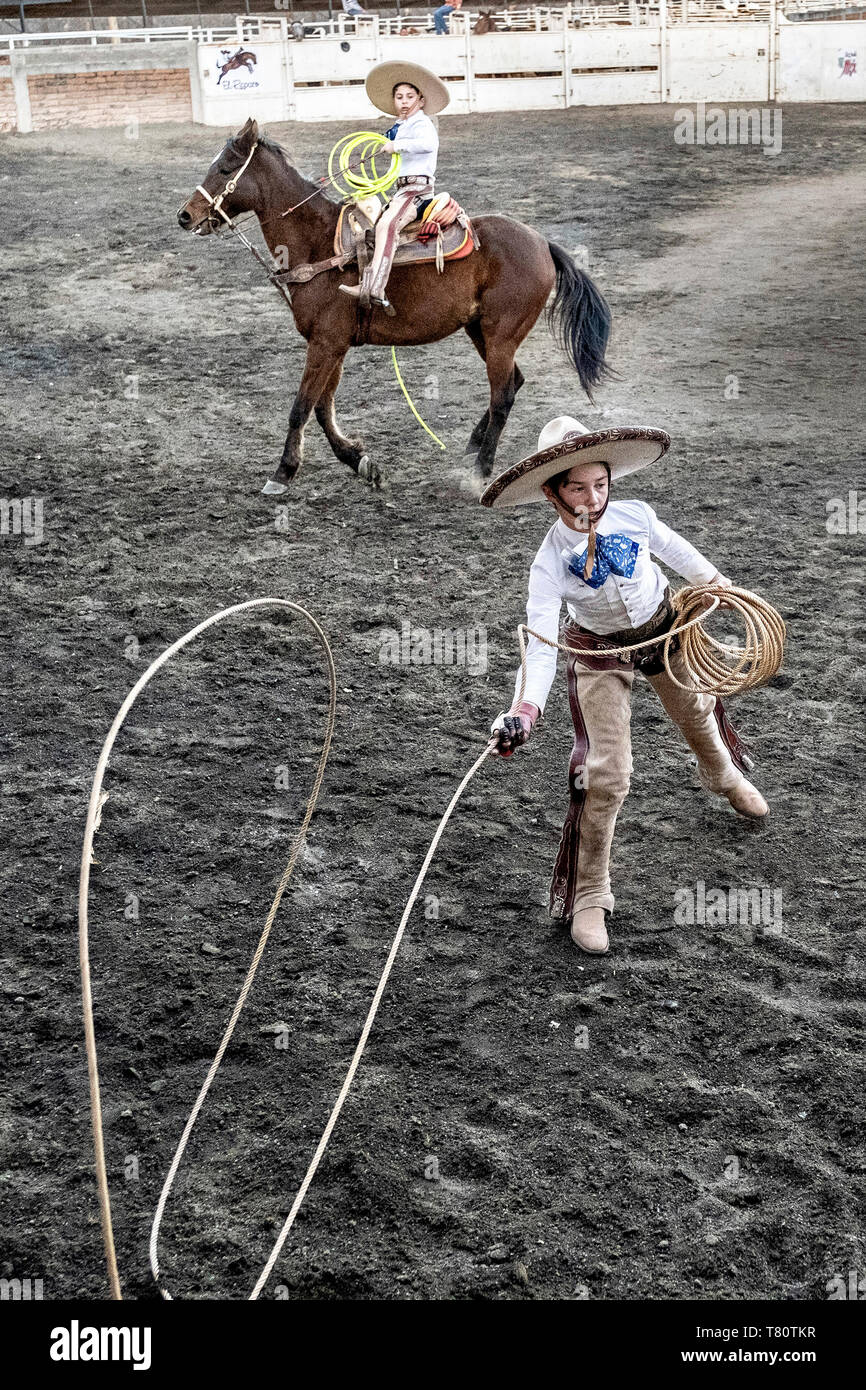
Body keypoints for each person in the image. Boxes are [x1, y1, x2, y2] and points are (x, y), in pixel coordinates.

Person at [482, 417, 768, 958]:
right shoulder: (547, 565)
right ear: (552, 493)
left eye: (601, 484)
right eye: (577, 487)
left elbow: (681, 555)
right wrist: (523, 710)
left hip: (664, 629)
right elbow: (542, 645)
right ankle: (590, 891)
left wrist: (719, 587)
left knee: (696, 712)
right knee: (605, 773)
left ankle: (723, 772)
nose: (593, 498)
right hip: (597, 651)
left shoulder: (637, 517)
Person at [339, 60, 449, 315]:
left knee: (388, 225)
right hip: (402, 189)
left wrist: (397, 146)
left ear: (420, 100)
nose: (404, 101)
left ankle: (375, 286)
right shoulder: (404, 126)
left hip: (417, 190)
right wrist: (391, 139)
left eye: (410, 96)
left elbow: (428, 144)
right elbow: (391, 140)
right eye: (399, 97)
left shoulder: (423, 124)